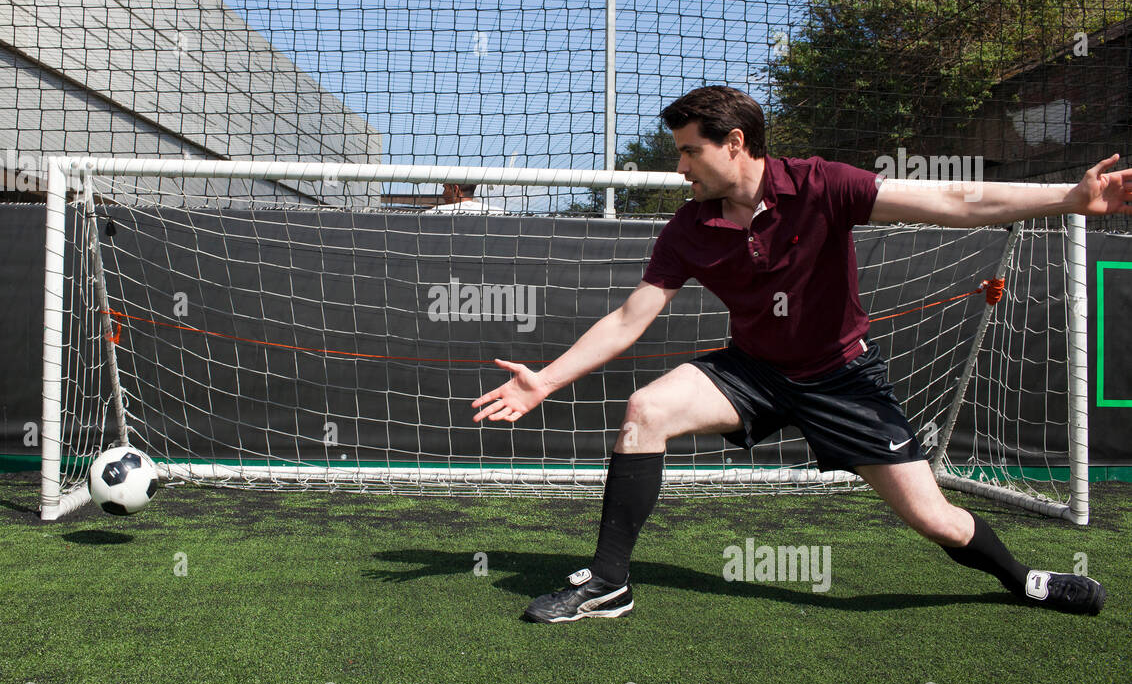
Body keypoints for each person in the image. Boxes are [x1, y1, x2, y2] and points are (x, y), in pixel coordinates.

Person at [472, 85, 1116, 622]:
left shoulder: (821, 185)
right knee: (646, 410)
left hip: (842, 379)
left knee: (935, 520)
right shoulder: (689, 227)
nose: (681, 167)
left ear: (735, 143)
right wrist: (544, 382)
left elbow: (953, 199)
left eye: (690, 152)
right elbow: (629, 318)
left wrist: (1068, 198)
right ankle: (609, 583)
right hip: (754, 371)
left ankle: (1023, 579)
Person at [423, 182, 504, 213]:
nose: (443, 194)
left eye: (445, 188)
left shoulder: (435, 213)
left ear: (455, 189)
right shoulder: (499, 213)